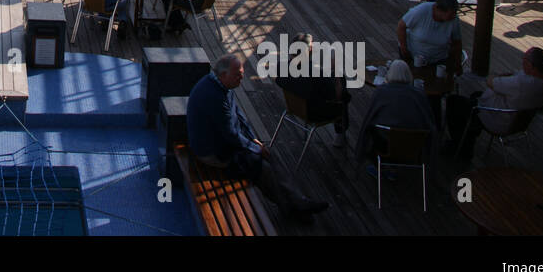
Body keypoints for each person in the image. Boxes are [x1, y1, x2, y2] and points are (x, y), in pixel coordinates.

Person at [187, 55, 329, 220]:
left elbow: (239, 116)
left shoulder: (221, 85)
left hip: (223, 141)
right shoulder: (214, 97)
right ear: (223, 74)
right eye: (237, 75)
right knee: (262, 168)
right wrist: (255, 149)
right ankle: (290, 208)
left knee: (269, 155)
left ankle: (299, 202)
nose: (242, 77)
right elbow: (230, 136)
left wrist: (254, 140)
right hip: (213, 151)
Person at [445, 47, 543, 156]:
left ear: (531, 66)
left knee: (453, 102)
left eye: (525, 60)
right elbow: (512, 76)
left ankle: (460, 147)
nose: (522, 62)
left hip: (498, 118)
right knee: (475, 95)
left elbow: (491, 82)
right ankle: (471, 134)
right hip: (518, 121)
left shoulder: (522, 84)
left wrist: (497, 77)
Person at [275, 32, 351, 147]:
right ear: (309, 49)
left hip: (294, 107)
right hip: (315, 113)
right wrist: (336, 72)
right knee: (342, 86)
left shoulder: (281, 67)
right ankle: (340, 134)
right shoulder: (317, 74)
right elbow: (337, 97)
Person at [354, 59, 436, 166]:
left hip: (385, 142)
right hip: (414, 145)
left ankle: (379, 167)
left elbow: (369, 118)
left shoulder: (381, 92)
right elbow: (429, 121)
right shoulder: (419, 94)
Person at [397, 0, 463, 72]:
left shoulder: (454, 20)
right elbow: (401, 26)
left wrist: (458, 64)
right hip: (413, 55)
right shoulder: (421, 11)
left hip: (439, 59)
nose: (454, 16)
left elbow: (457, 43)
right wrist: (404, 49)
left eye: (455, 13)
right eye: (451, 13)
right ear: (438, 10)